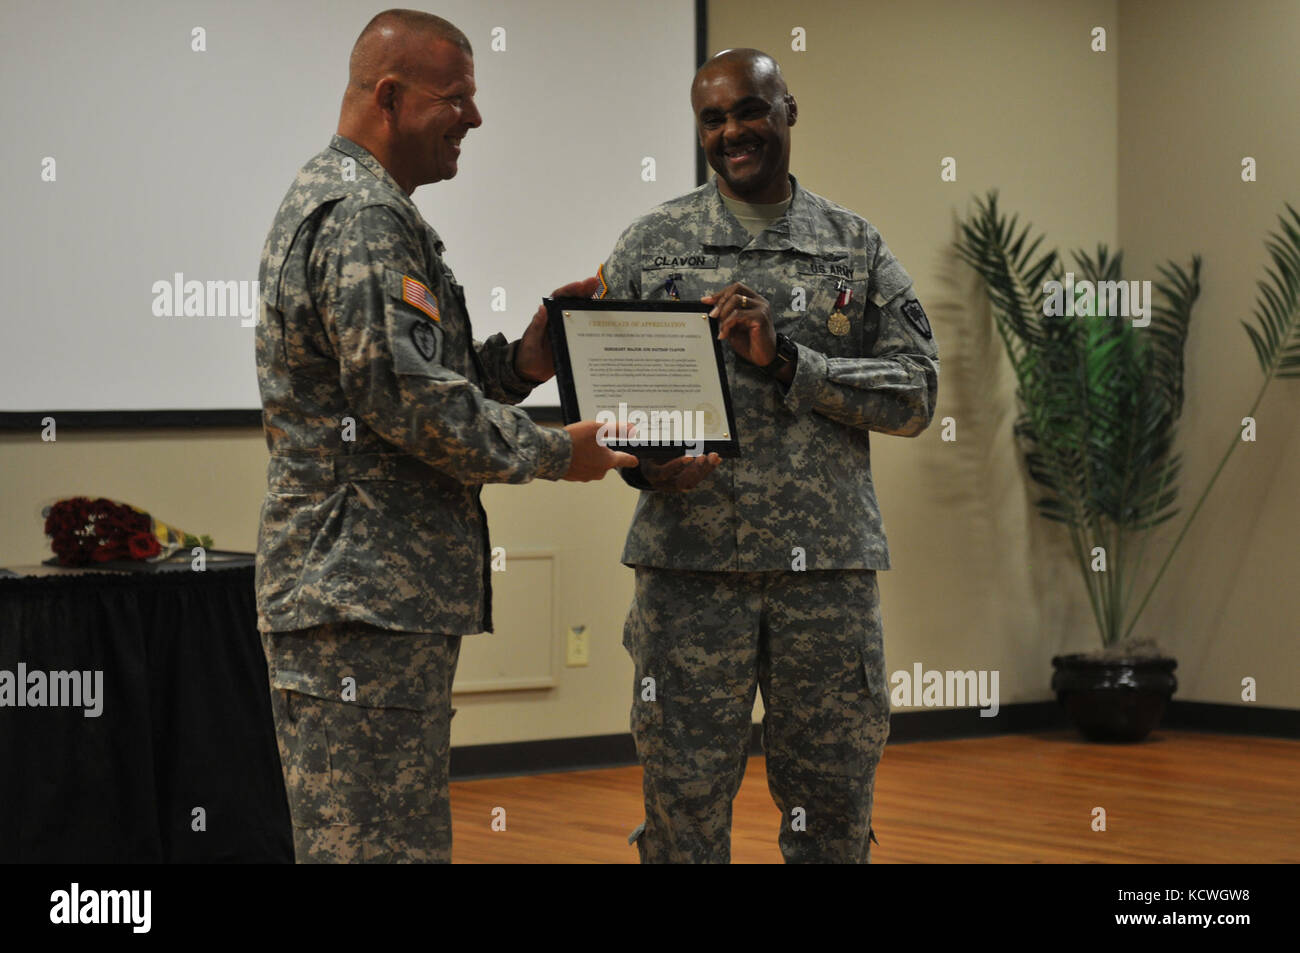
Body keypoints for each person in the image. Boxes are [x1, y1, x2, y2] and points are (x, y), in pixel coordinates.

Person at [254, 9, 636, 864]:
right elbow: (410, 403)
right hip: (358, 599)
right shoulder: (361, 216)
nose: (475, 117)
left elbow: (421, 376)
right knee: (380, 851)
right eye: (456, 97)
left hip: (369, 602)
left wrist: (525, 362)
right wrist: (554, 452)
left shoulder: (368, 206)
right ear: (389, 96)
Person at [598, 48, 940, 863]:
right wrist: (647, 465)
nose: (732, 132)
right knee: (681, 812)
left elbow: (917, 392)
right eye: (712, 118)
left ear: (788, 109)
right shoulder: (652, 245)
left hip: (823, 575)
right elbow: (612, 402)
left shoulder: (852, 246)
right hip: (689, 570)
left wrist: (790, 360)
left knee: (831, 810)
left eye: (749, 110)